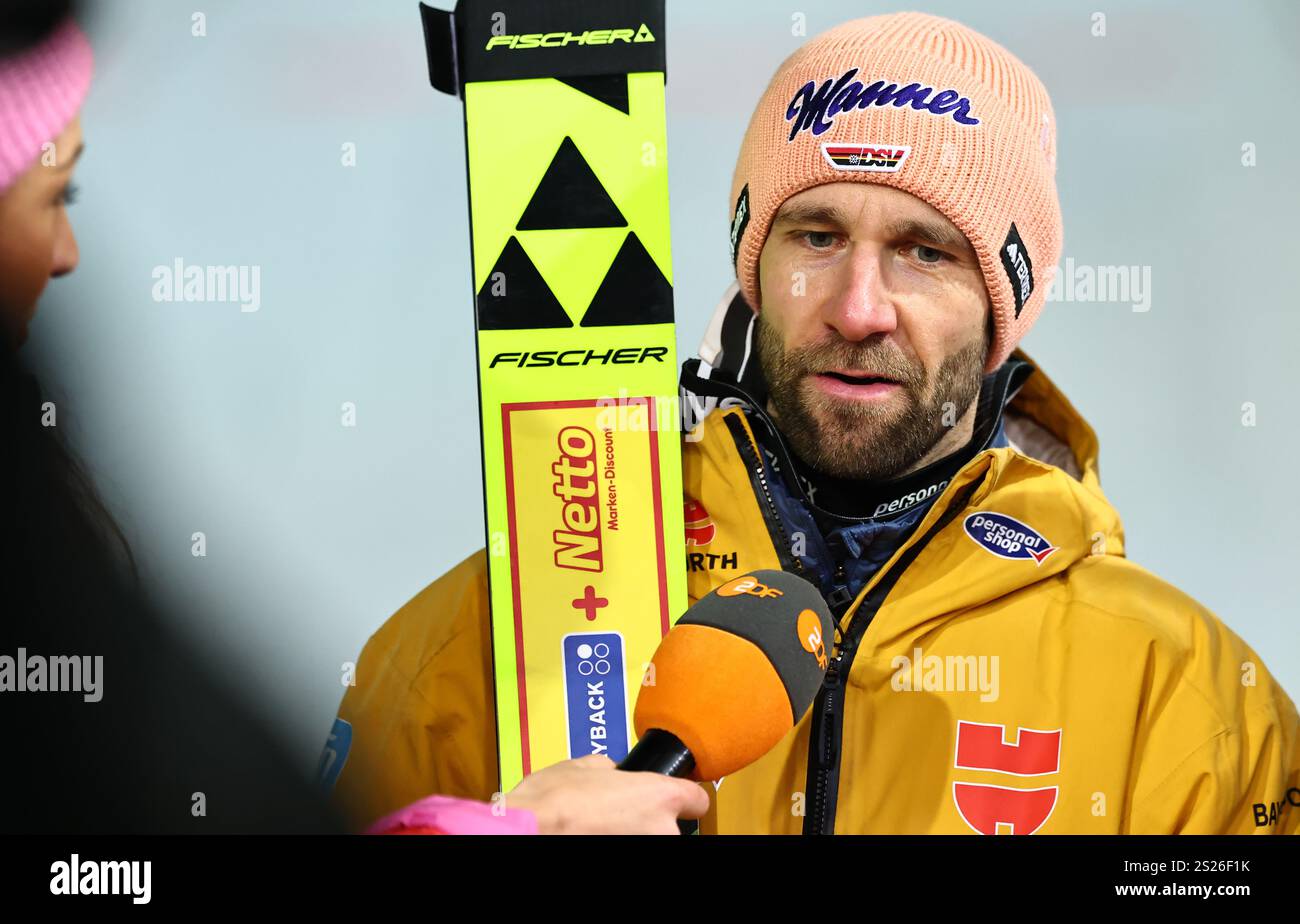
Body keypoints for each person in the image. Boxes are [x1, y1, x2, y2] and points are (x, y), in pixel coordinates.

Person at [328, 12, 1300, 835]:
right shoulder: (490, 633)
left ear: (1005, 311)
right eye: (817, 236)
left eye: (924, 252)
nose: (858, 306)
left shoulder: (1179, 695)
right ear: (754, 274)